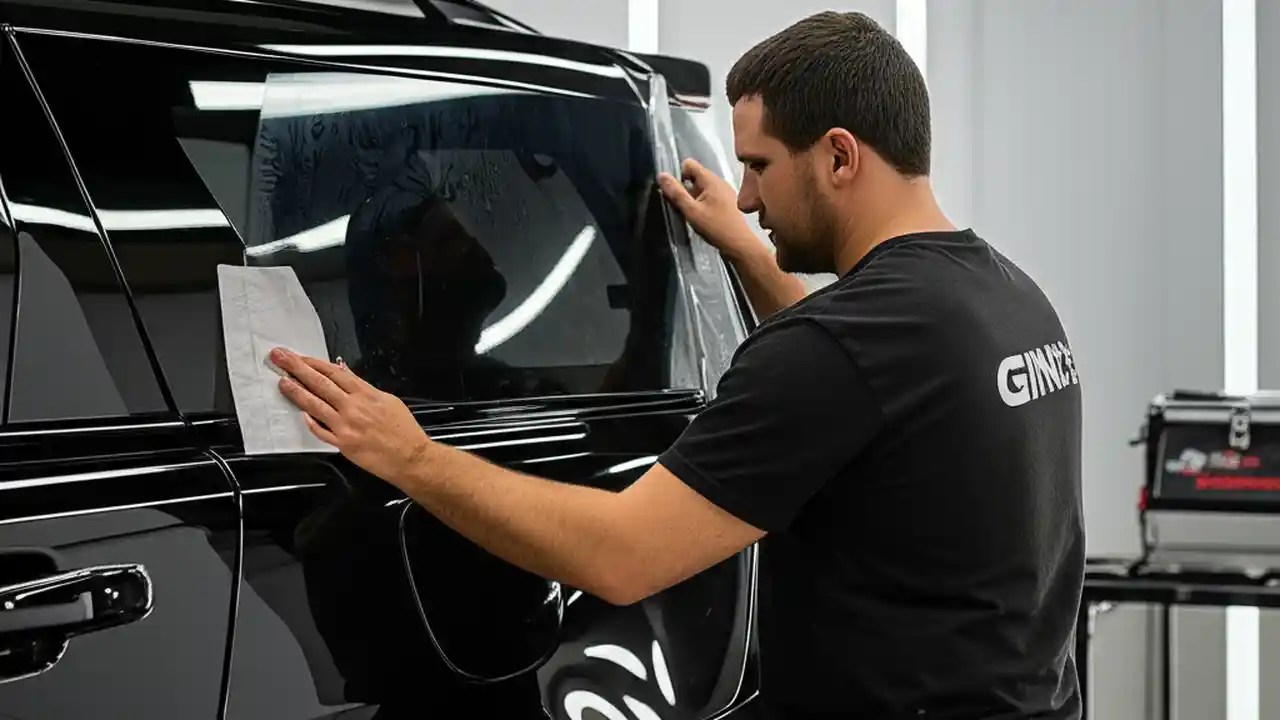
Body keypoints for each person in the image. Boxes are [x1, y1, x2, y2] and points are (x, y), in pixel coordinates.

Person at [272, 11, 1085, 719]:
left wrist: (410, 455)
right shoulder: (1008, 299)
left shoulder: (841, 348)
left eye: (759, 165)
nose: (749, 198)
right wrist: (751, 257)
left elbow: (622, 556)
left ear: (840, 156)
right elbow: (863, 382)